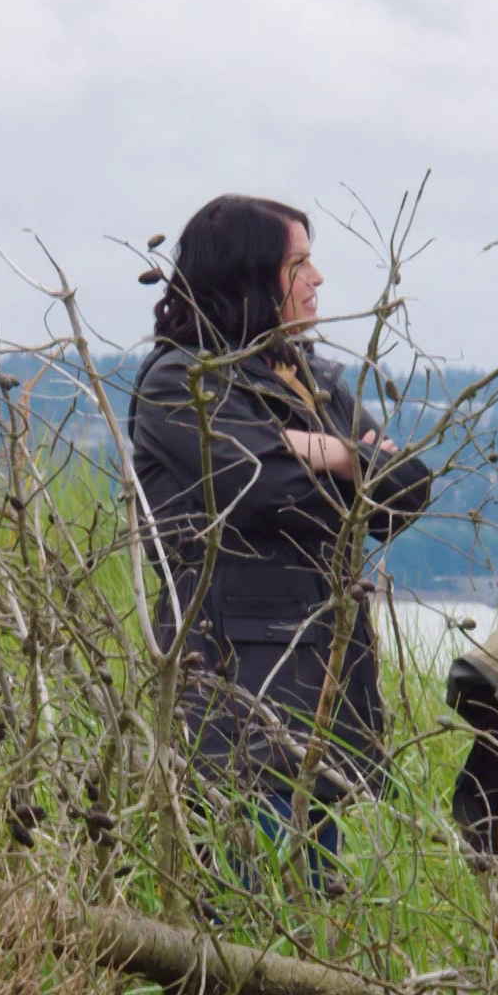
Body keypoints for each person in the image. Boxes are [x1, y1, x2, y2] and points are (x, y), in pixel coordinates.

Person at [128, 195, 432, 889]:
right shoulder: (181, 383)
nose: (317, 278)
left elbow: (408, 487)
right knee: (248, 907)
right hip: (236, 703)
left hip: (323, 696)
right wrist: (349, 457)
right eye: (299, 264)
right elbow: (261, 486)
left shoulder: (313, 379)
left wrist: (320, 450)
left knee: (310, 909)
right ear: (250, 276)